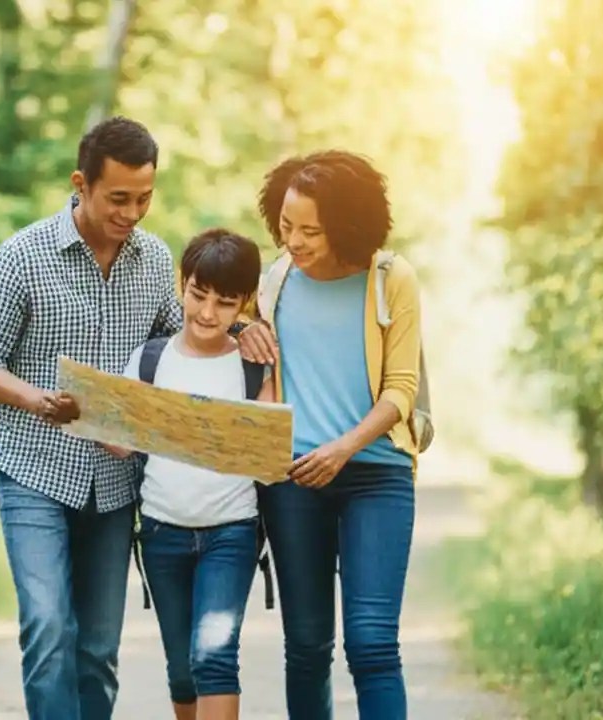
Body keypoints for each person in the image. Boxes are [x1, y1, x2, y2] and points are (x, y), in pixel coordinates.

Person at [0, 116, 183, 720]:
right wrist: (39, 402)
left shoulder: (156, 262)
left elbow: (182, 350)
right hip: (34, 469)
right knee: (49, 627)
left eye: (144, 199)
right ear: (80, 184)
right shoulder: (22, 256)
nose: (132, 213)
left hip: (114, 484)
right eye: (118, 198)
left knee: (98, 649)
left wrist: (243, 330)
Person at [236, 150, 422, 719]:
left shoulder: (391, 280)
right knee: (308, 648)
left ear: (348, 226)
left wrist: (344, 448)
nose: (293, 240)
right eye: (286, 225)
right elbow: (221, 329)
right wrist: (245, 331)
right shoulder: (275, 281)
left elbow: (401, 390)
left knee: (371, 644)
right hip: (294, 481)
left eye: (310, 230)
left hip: (376, 474)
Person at [103, 228, 269, 720]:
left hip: (231, 532)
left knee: (214, 659)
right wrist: (96, 424)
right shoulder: (152, 360)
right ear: (182, 283)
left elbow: (269, 447)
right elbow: (124, 442)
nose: (206, 313)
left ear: (245, 303)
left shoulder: (254, 366)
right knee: (181, 669)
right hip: (161, 533)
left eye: (224, 303)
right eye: (198, 295)